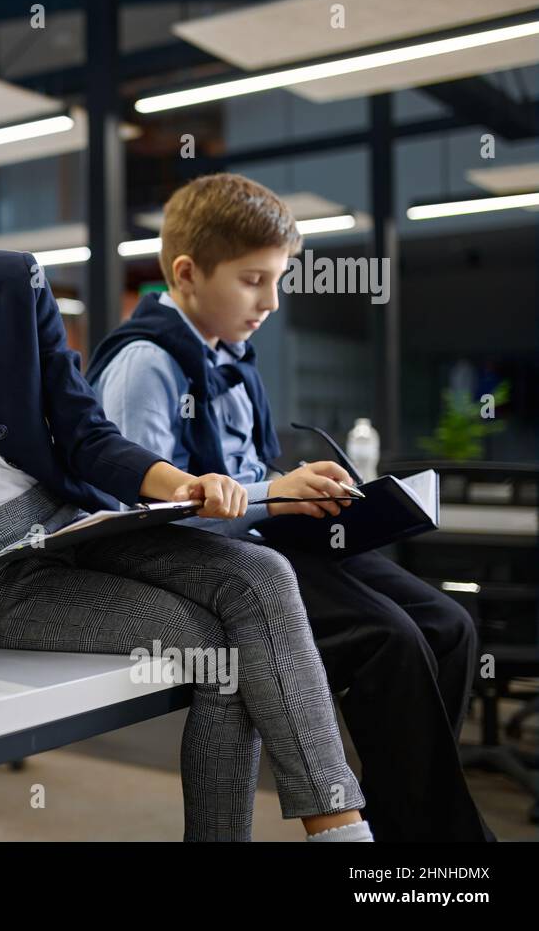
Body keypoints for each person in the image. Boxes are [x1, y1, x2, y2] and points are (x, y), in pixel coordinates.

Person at [0, 100, 371, 841]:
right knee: (221, 648)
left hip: (69, 522)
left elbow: (83, 432)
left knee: (262, 576)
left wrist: (180, 483)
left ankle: (343, 834)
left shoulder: (12, 281)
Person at [88, 173, 487, 842]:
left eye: (278, 279)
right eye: (253, 280)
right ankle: (441, 849)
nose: (271, 301)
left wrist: (296, 486)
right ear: (186, 274)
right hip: (205, 561)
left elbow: (244, 474)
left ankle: (406, 824)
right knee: (388, 639)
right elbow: (143, 514)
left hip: (264, 537)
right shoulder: (145, 366)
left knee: (449, 626)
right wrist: (276, 493)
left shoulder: (231, 361)